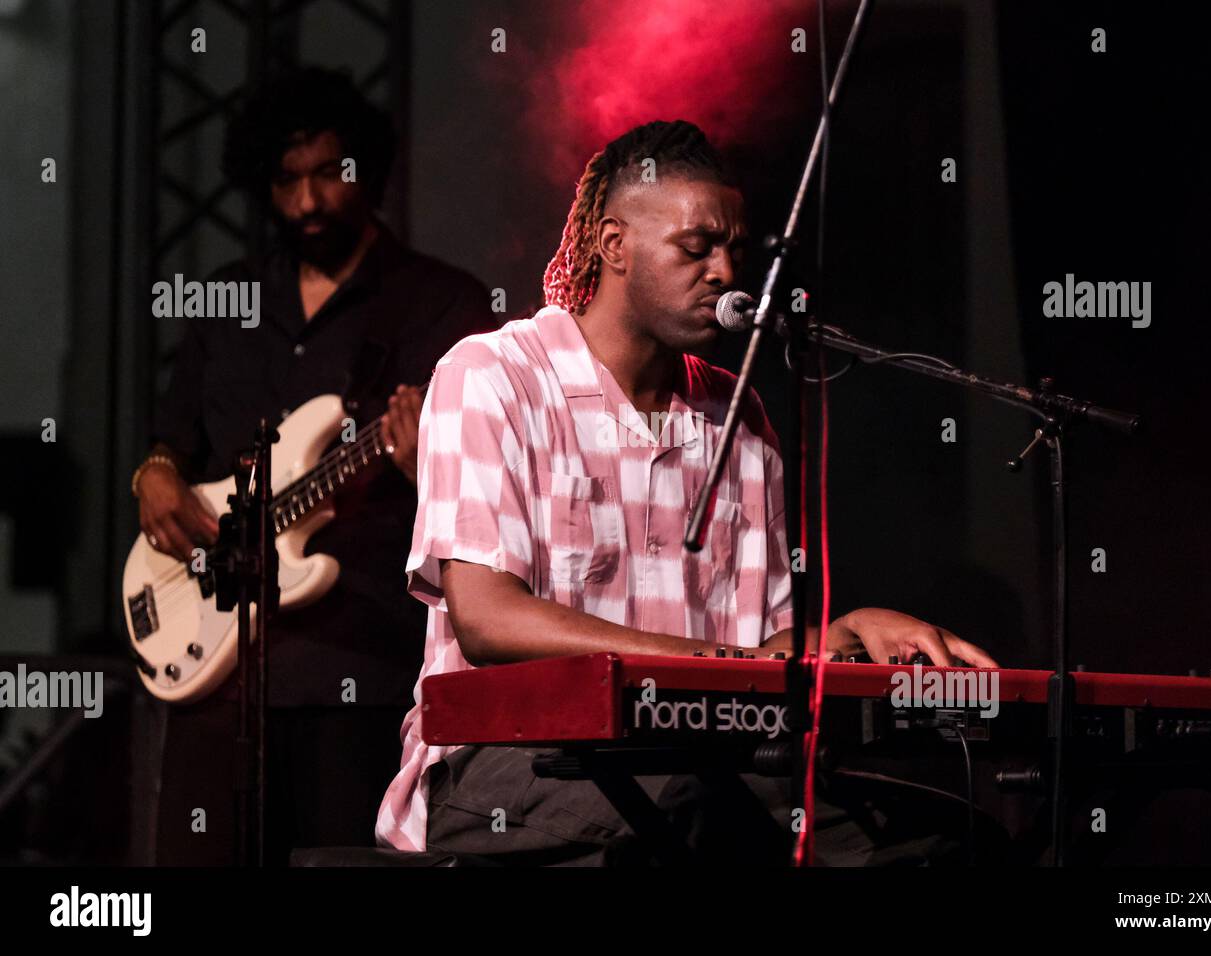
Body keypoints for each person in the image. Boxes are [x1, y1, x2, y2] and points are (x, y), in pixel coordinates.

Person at [375, 119, 997, 865]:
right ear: (613, 245)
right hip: (503, 763)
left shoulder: (741, 417)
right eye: (696, 248)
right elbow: (487, 619)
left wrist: (853, 633)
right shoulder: (493, 376)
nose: (725, 271)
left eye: (734, 249)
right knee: (700, 817)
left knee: (941, 838)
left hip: (703, 761)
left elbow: (760, 654)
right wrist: (705, 665)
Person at [134, 67, 495, 864]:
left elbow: (490, 488)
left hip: (357, 666)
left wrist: (416, 465)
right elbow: (171, 434)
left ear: (366, 167)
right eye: (287, 180)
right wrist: (152, 473)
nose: (306, 201)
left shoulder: (444, 306)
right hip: (214, 672)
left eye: (329, 173)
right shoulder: (225, 301)